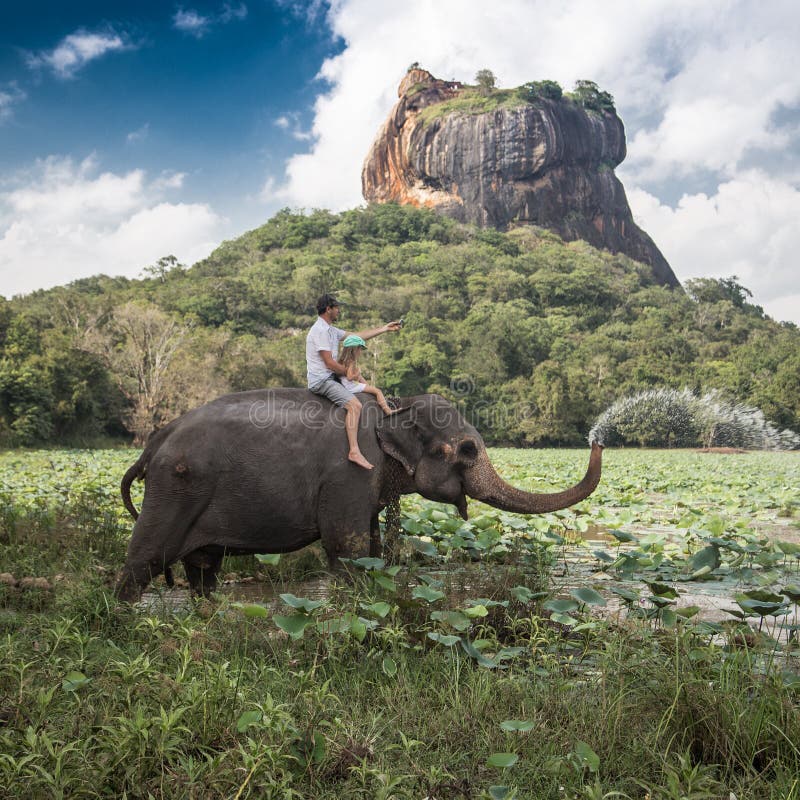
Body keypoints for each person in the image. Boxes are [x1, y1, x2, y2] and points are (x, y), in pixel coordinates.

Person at [306, 293, 401, 470]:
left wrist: (384, 329)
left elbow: (357, 336)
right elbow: (329, 363)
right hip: (322, 380)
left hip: (331, 377)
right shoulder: (319, 331)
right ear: (328, 309)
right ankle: (354, 451)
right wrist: (351, 374)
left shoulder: (331, 330)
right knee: (355, 406)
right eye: (336, 308)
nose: (339, 311)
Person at [338, 335, 396, 416]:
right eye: (360, 349)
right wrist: (357, 374)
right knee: (378, 391)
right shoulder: (351, 361)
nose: (360, 352)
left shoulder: (341, 360)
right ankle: (388, 411)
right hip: (350, 386)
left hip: (344, 384)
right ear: (354, 349)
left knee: (368, 386)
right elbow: (350, 377)